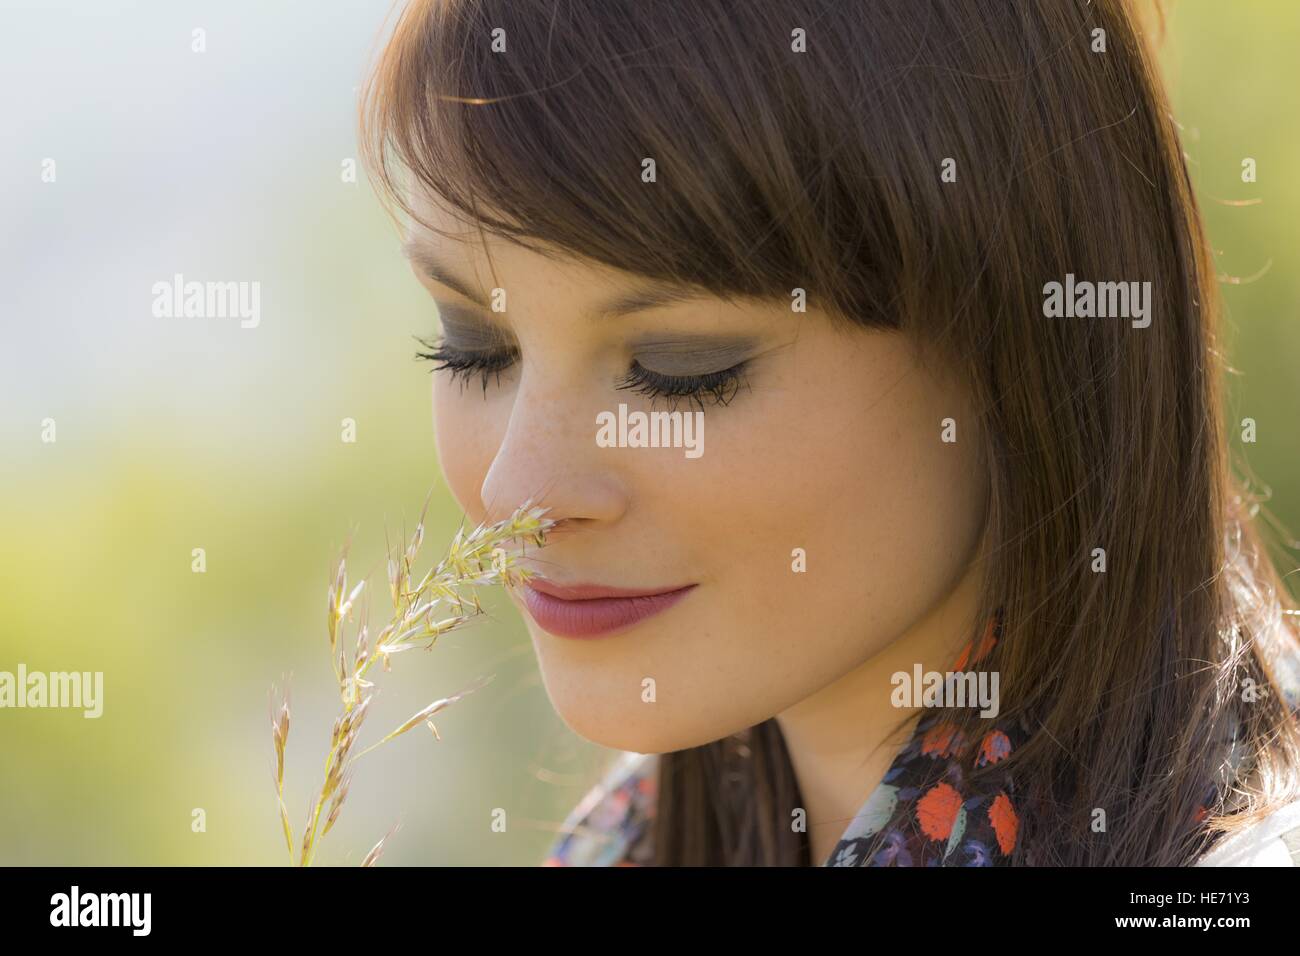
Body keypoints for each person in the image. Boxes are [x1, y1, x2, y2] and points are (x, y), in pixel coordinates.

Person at [359, 0, 1300, 865]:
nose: (518, 490)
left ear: (1018, 342)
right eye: (475, 345)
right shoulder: (626, 841)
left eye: (683, 368)